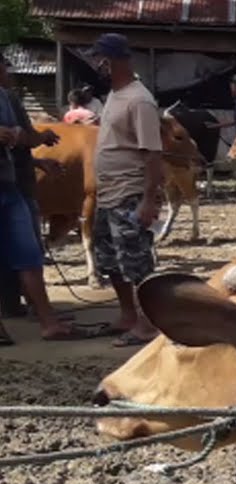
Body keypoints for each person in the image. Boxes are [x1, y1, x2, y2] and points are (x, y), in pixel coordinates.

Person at [90, 33, 166, 346]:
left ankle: (149, 324)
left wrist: (148, 200)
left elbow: (152, 153)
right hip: (108, 194)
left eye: (102, 59)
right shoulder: (114, 94)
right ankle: (127, 315)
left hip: (129, 192)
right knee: (107, 258)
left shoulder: (140, 100)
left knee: (137, 262)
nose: (98, 65)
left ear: (116, 60)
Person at [0, 53, 81, 344]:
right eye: (5, 67)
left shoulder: (6, 98)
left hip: (10, 184)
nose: (8, 72)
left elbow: (20, 139)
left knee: (29, 254)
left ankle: (48, 321)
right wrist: (34, 137)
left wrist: (25, 144)